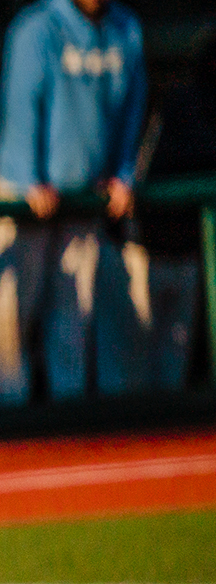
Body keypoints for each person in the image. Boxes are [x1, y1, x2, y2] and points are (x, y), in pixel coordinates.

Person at [0, 0, 146, 404]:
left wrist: (123, 174)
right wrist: (28, 180)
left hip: (84, 195)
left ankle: (68, 419)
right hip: (25, 194)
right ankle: (10, 417)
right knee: (13, 313)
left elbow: (132, 110)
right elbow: (20, 108)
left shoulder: (125, 29)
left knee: (74, 316)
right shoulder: (38, 27)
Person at [135, 32, 213, 391]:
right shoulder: (179, 103)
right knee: (135, 364)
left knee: (172, 360)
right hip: (146, 249)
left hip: (187, 252)